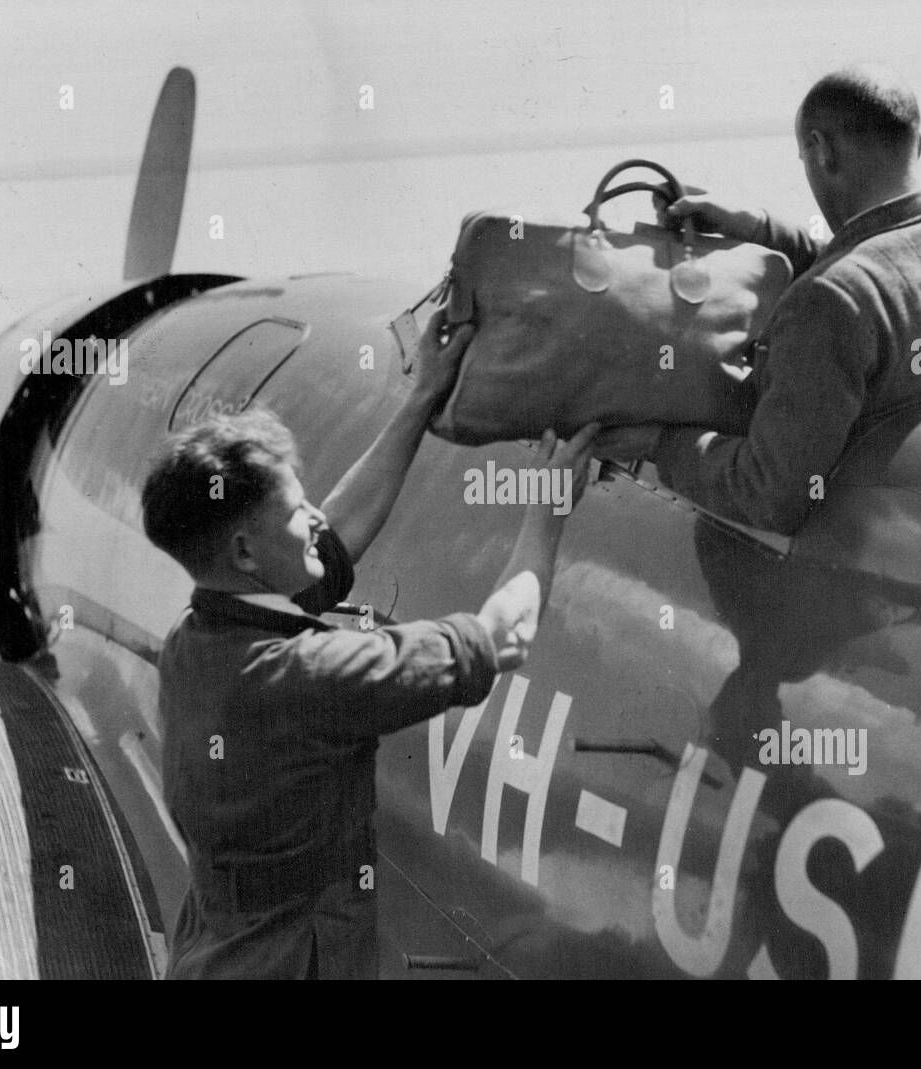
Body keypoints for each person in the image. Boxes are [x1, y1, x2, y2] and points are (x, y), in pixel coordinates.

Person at [140, 309, 598, 979]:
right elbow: (506, 635)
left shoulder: (202, 633)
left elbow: (335, 533)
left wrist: (420, 401)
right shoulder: (309, 677)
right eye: (298, 511)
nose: (316, 516)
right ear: (244, 549)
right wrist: (549, 509)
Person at [596, 63, 921, 535]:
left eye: (804, 155)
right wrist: (756, 228)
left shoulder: (831, 302)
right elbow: (886, 270)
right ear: (916, 145)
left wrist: (660, 444)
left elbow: (767, 495)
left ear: (821, 150)